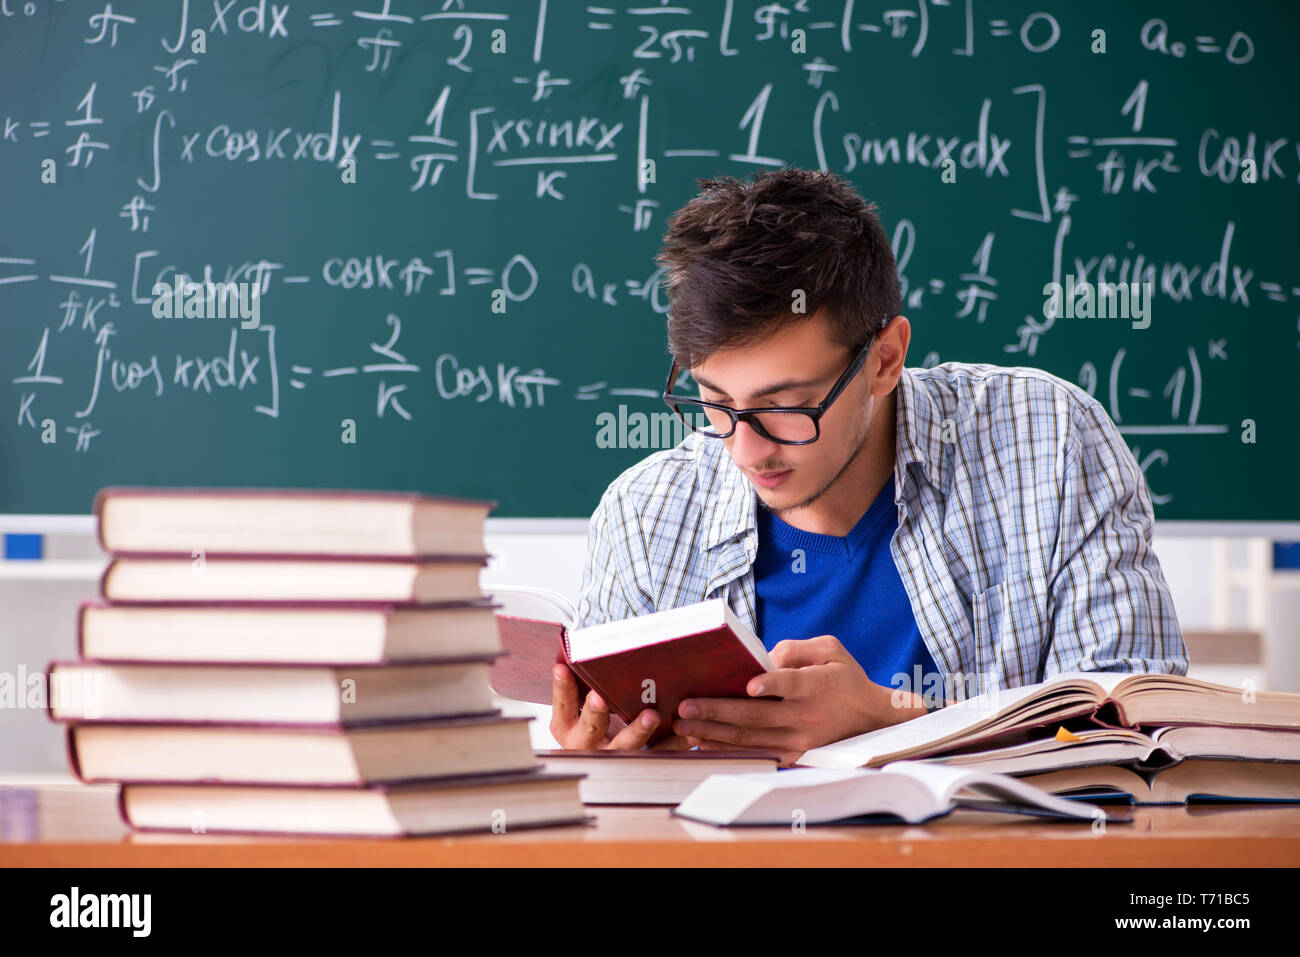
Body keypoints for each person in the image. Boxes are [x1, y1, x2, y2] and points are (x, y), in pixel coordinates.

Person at [550, 167, 1187, 765]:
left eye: (788, 406)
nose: (745, 450)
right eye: (715, 404)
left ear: (884, 360)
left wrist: (890, 720)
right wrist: (603, 767)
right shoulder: (647, 515)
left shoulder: (1048, 441)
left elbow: (1136, 736)